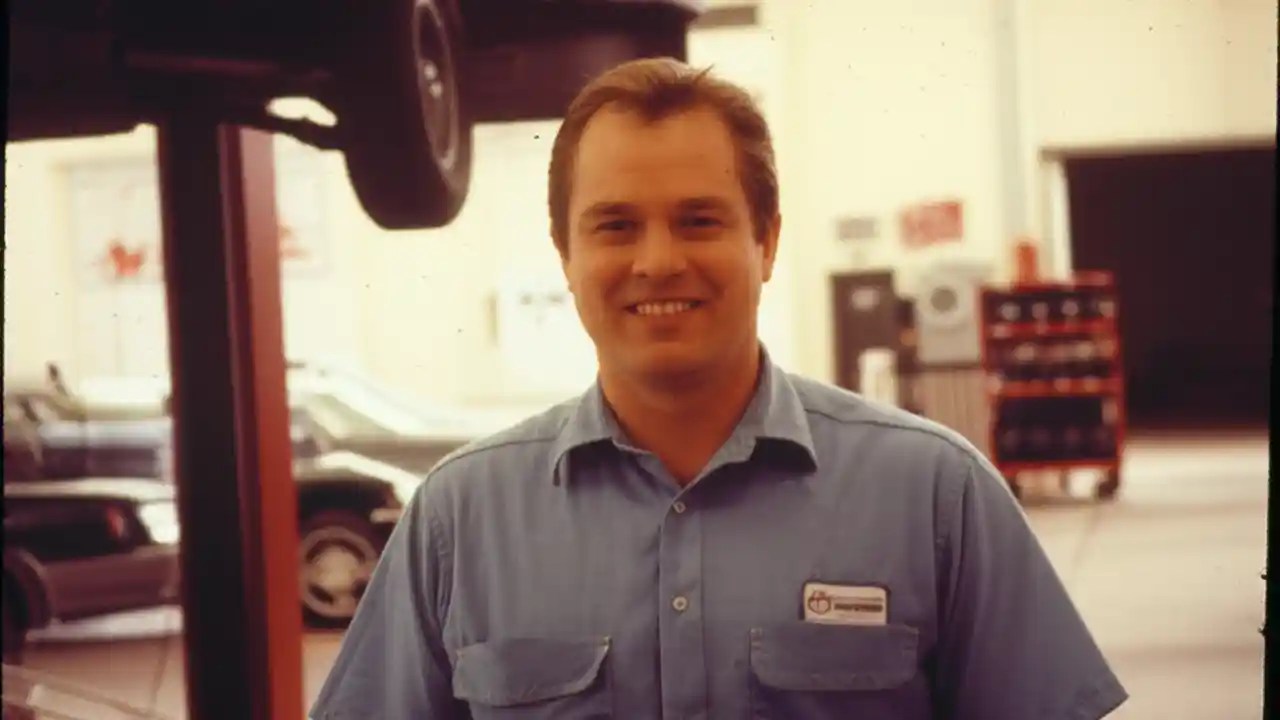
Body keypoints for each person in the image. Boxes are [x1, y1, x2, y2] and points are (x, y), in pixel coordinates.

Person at [310, 57, 1127, 720]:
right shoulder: (459, 522)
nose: (658, 261)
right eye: (615, 225)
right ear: (565, 255)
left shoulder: (936, 495)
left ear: (766, 242)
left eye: (699, 219)